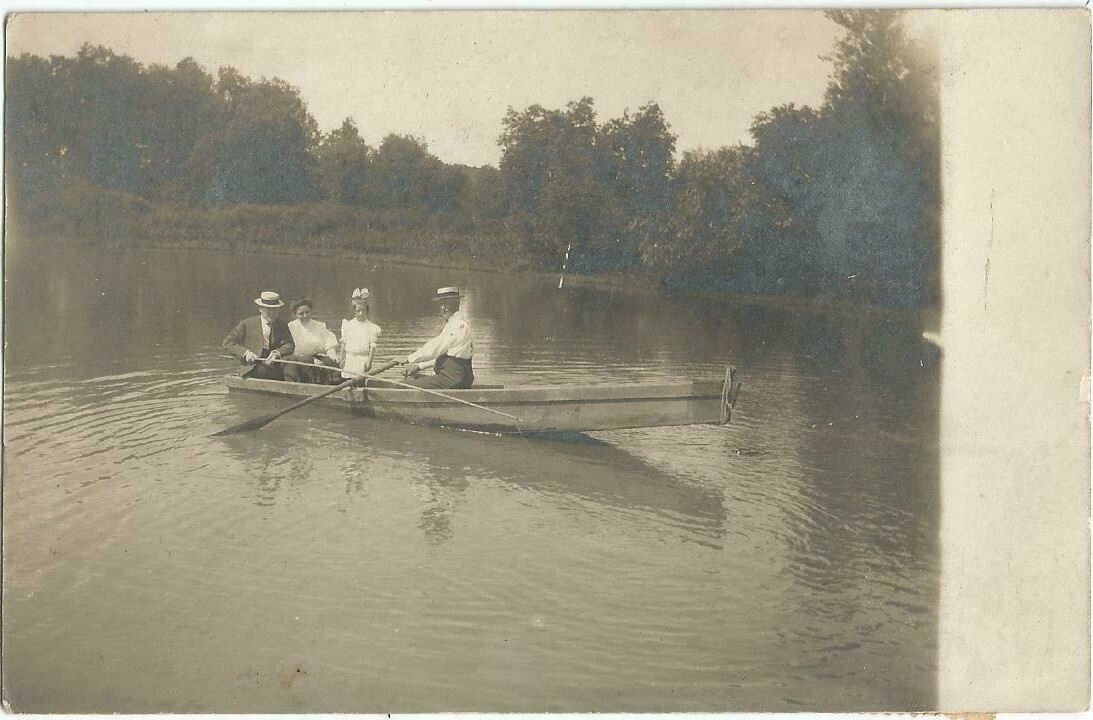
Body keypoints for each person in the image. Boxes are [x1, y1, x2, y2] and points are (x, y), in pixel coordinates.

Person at [399, 286, 474, 389]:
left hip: (452, 380)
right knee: (412, 377)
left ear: (456, 304)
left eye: (446, 304)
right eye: (441, 304)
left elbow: (435, 348)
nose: (442, 308)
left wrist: (408, 359)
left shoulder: (457, 325)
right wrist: (419, 366)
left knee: (403, 385)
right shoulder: (454, 324)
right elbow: (447, 357)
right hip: (456, 379)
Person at [223, 290, 295, 381]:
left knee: (296, 367)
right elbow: (228, 342)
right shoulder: (246, 324)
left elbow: (289, 345)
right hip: (253, 366)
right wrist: (246, 353)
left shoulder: (282, 324)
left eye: (275, 309)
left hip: (275, 363)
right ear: (260, 308)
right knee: (267, 371)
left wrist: (277, 353)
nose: (272, 312)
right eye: (268, 309)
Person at [284, 297, 340, 384]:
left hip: (317, 356)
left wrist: (332, 354)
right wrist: (313, 360)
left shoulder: (319, 326)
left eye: (307, 312)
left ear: (311, 311)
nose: (305, 316)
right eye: (301, 314)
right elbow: (292, 348)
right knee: (309, 364)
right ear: (296, 314)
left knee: (331, 362)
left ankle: (334, 387)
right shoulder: (291, 327)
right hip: (299, 358)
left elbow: (329, 340)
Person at [340, 287, 381, 379]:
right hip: (350, 358)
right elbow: (344, 343)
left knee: (360, 380)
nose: (361, 313)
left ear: (367, 311)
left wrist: (369, 362)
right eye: (358, 311)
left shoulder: (371, 327)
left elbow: (372, 347)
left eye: (363, 311)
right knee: (347, 380)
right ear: (354, 311)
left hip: (362, 359)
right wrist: (341, 359)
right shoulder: (348, 325)